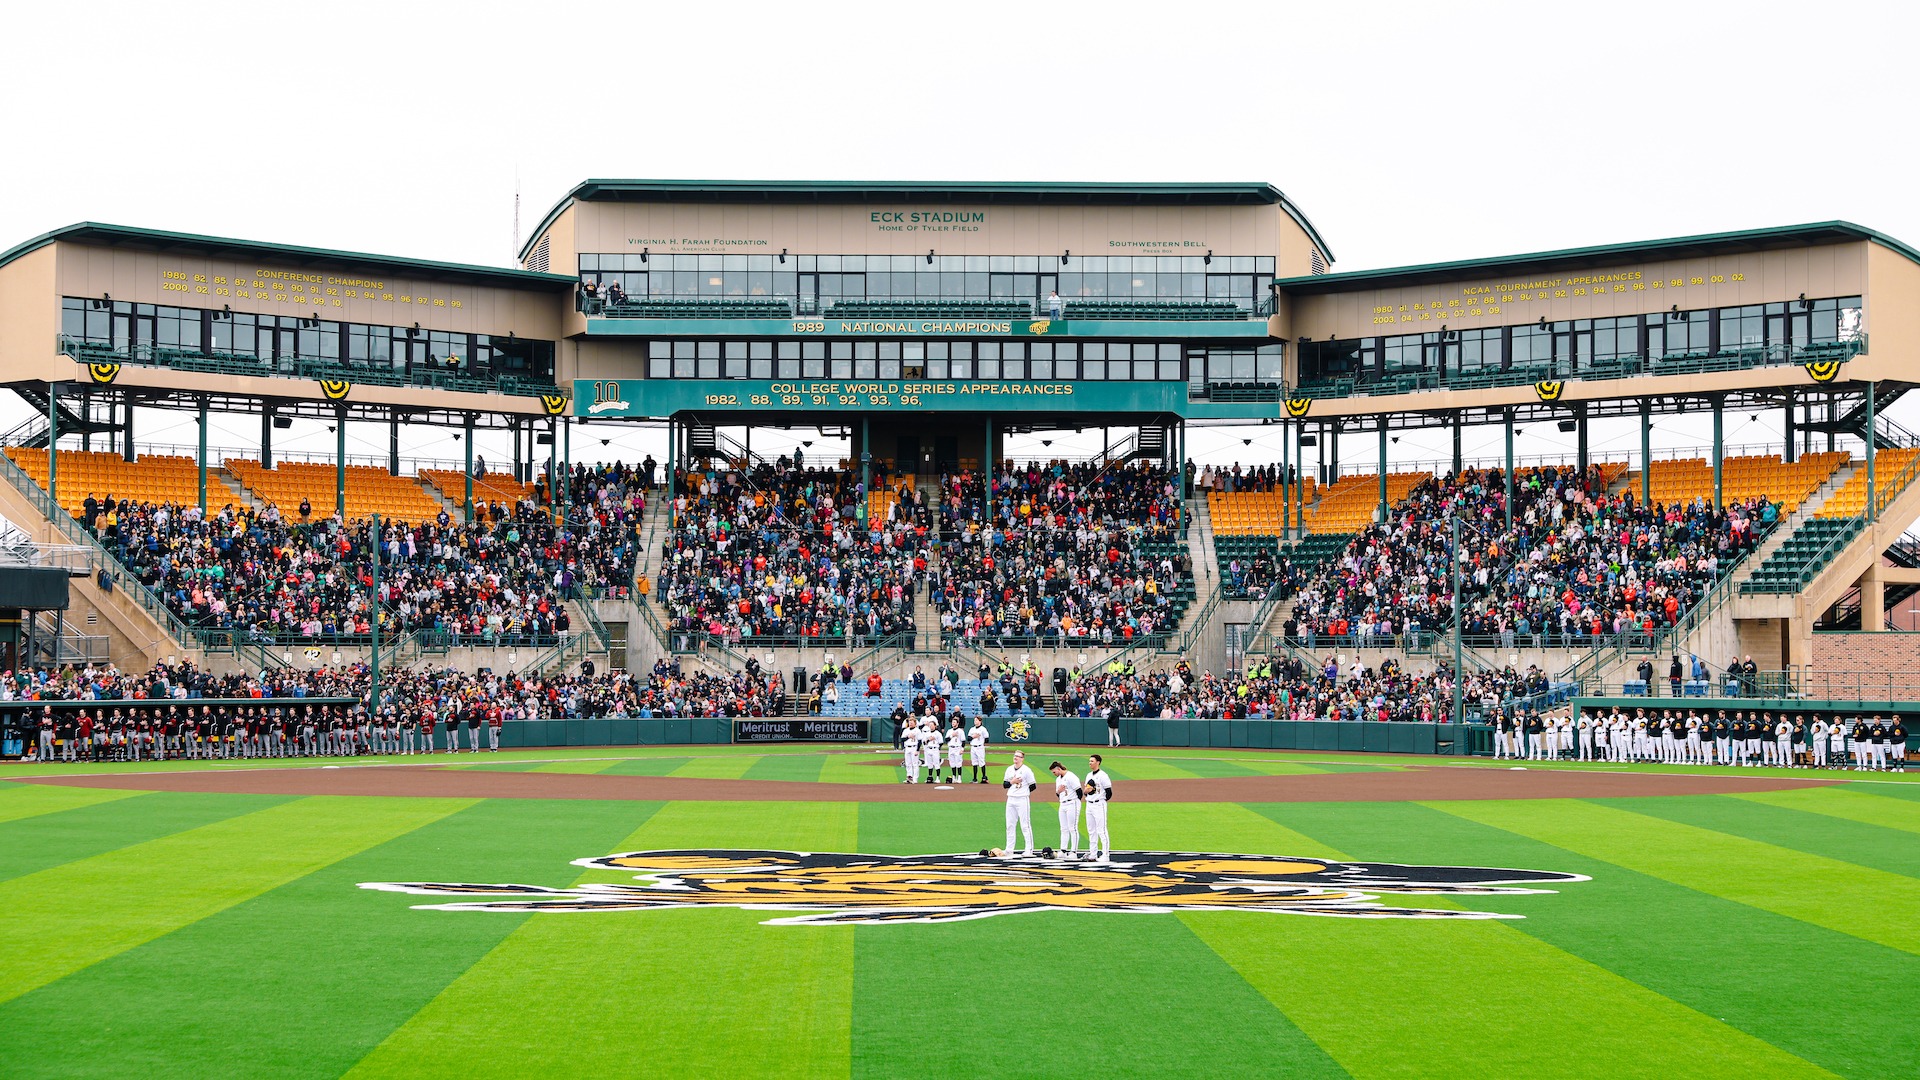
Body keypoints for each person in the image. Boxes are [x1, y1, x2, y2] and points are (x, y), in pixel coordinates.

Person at [1001, 749, 1037, 856]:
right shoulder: (1009, 769)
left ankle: (1029, 849)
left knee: (1025, 825)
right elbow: (1005, 785)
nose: (1015, 758)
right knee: (1010, 825)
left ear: (1022, 759)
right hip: (1011, 798)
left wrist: (1024, 792)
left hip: (1022, 799)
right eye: (1014, 756)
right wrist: (1013, 782)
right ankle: (1009, 849)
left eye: (1018, 756)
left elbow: (1033, 785)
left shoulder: (1027, 770)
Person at [1082, 753, 1115, 863]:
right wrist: (1086, 792)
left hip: (1099, 804)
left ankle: (1105, 855)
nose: (1090, 763)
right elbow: (1086, 791)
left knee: (1102, 830)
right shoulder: (1088, 775)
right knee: (1091, 830)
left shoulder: (1103, 775)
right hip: (1089, 804)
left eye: (1092, 761)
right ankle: (1093, 853)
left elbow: (1109, 792)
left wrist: (1101, 800)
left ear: (1098, 762)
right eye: (1089, 761)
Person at [1049, 761, 1082, 859]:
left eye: (1054, 772)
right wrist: (1058, 792)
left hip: (1072, 803)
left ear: (1059, 769)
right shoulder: (1058, 780)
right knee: (1063, 828)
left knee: (1073, 827)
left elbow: (1079, 792)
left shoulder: (1071, 776)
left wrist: (1075, 802)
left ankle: (1073, 852)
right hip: (1062, 804)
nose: (1054, 774)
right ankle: (1063, 850)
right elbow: (1057, 794)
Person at [968, 713, 989, 783]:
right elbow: (968, 738)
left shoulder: (983, 729)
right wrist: (974, 736)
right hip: (973, 747)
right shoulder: (972, 729)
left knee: (981, 762)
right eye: (974, 720)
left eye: (976, 720)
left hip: (980, 747)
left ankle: (984, 777)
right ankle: (974, 778)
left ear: (980, 721)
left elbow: (987, 739)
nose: (975, 721)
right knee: (974, 763)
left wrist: (980, 737)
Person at [946, 717, 965, 784]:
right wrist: (952, 735)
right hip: (951, 748)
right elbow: (946, 740)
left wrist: (962, 749)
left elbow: (963, 741)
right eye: (952, 722)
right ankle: (954, 776)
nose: (953, 723)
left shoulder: (960, 731)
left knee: (958, 763)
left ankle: (959, 777)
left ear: (957, 723)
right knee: (952, 763)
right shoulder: (949, 731)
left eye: (954, 722)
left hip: (958, 748)